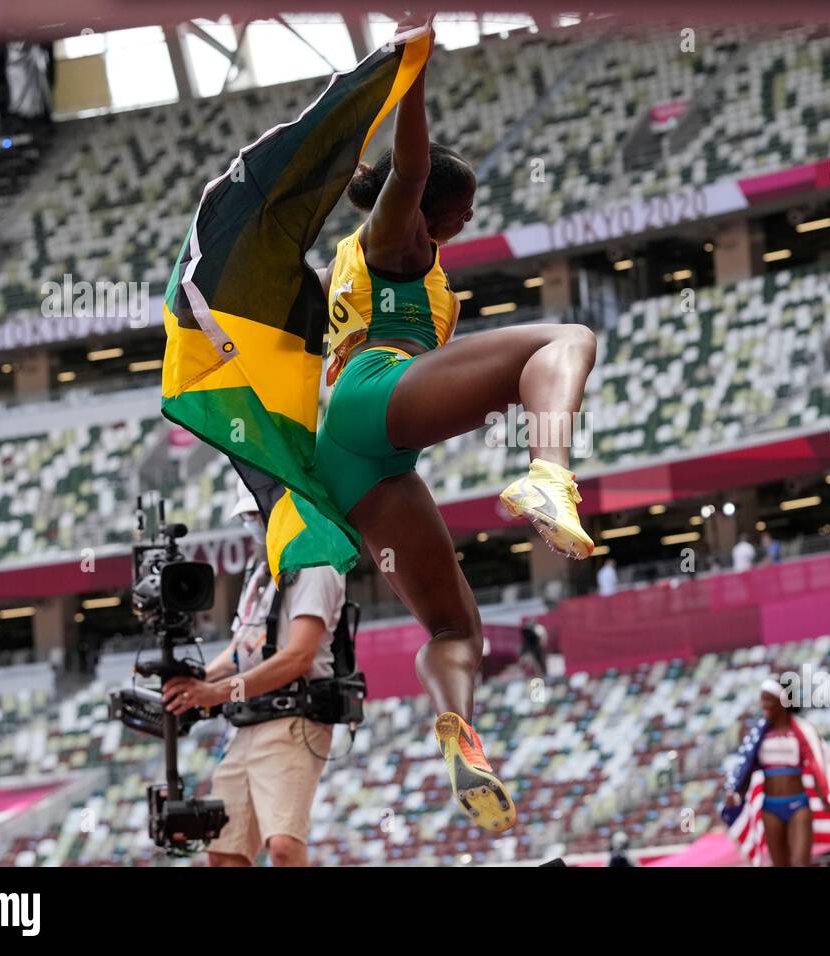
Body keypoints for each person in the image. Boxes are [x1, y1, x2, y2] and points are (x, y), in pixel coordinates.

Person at [312, 16, 597, 833]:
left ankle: (459, 734)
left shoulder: (392, 253)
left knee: (453, 624)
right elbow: (409, 166)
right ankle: (549, 472)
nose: (467, 225)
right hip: (377, 393)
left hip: (366, 457)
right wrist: (413, 69)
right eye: (463, 211)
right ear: (432, 208)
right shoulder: (395, 238)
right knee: (566, 338)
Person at [161, 484, 346, 867]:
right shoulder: (260, 571)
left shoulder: (316, 561)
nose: (252, 524)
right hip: (246, 722)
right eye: (247, 517)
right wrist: (195, 684)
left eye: (256, 515)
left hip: (295, 717)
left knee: (282, 844)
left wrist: (215, 693)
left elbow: (298, 656)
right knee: (224, 851)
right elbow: (239, 649)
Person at [721, 678, 830, 867]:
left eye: (767, 700)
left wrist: (826, 795)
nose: (763, 705)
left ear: (781, 701)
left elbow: (816, 763)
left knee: (801, 862)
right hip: (770, 807)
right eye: (762, 699)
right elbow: (746, 769)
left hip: (798, 804)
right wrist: (737, 794)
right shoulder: (758, 733)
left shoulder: (802, 729)